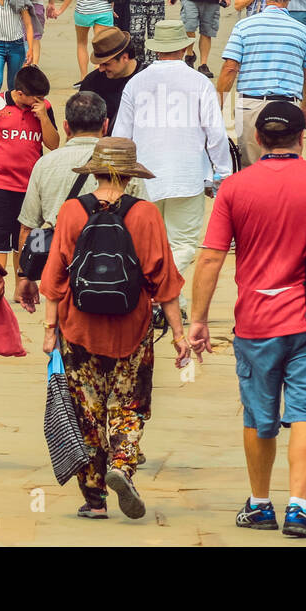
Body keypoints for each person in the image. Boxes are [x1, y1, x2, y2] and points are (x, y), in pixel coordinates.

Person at [190, 101, 306, 538]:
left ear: (258, 139)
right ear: (302, 137)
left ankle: (259, 504)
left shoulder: (235, 188)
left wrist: (198, 319)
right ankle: (299, 506)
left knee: (258, 414)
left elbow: (209, 260)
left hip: (255, 322)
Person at [39, 137, 190, 519]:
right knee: (128, 405)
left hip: (79, 329)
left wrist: (48, 329)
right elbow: (164, 280)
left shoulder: (72, 210)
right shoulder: (147, 214)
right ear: (129, 175)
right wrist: (179, 334)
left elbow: (55, 276)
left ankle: (94, 500)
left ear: (95, 171)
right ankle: (122, 466)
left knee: (86, 412)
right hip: (131, 329)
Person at [112, 20, 231, 298]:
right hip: (187, 174)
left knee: (147, 243)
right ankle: (161, 294)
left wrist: (117, 176)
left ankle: (157, 294)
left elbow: (121, 134)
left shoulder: (136, 83)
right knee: (184, 243)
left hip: (143, 175)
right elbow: (215, 132)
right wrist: (223, 172)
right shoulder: (200, 82)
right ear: (186, 46)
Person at [15, 92, 149, 307]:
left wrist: (25, 277)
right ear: (105, 126)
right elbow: (144, 227)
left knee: (66, 330)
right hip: (119, 276)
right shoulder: (123, 166)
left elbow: (28, 228)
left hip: (63, 274)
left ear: (66, 127)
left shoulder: (44, 164)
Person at [217, 0, 306, 167]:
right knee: (287, 168)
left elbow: (230, 68)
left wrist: (218, 104)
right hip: (288, 105)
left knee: (250, 169)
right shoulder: (304, 32)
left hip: (251, 106)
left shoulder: (243, 27)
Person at [0, 65, 59, 278]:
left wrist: (43, 117)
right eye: (36, 97)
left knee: (26, 242)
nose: (41, 100)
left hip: (31, 186)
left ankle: (22, 289)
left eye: (43, 97)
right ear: (19, 93)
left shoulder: (45, 107)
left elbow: (53, 144)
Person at [79, 27, 144, 129]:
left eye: (106, 64)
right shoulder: (90, 84)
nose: (101, 69)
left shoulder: (147, 79)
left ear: (124, 58)